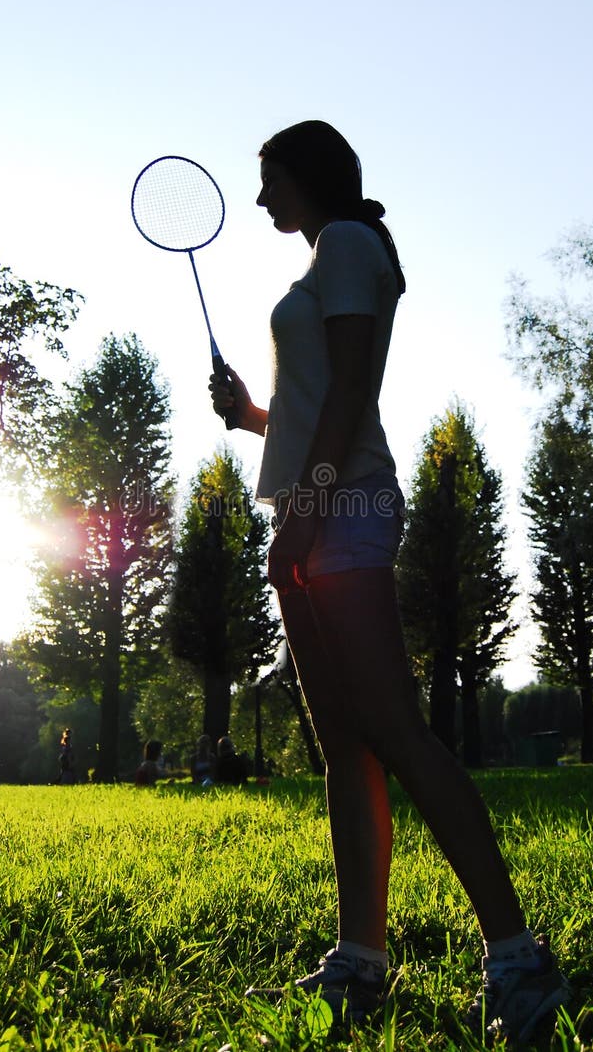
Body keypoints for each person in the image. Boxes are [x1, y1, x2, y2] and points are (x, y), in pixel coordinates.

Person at [209, 120, 570, 1040]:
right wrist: (252, 416)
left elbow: (354, 395)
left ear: (311, 176)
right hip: (314, 503)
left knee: (399, 733)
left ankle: (519, 960)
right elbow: (315, 402)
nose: (260, 199)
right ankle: (360, 961)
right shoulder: (334, 253)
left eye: (271, 180)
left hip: (344, 509)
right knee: (346, 749)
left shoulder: (348, 243)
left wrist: (308, 508)